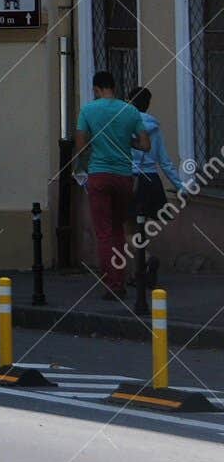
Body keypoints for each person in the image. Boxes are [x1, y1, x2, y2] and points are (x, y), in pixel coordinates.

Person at [75, 71, 150, 300]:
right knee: (118, 229)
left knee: (104, 232)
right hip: (123, 176)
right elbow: (145, 144)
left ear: (96, 89)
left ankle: (113, 282)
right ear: (114, 87)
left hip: (99, 174)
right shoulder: (130, 110)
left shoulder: (88, 110)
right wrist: (128, 141)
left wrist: (86, 166)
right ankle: (121, 275)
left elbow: (80, 145)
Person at [129, 86, 185, 280]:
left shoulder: (125, 125)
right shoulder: (155, 128)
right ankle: (143, 267)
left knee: (129, 226)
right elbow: (165, 161)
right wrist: (180, 186)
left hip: (132, 180)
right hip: (152, 181)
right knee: (142, 226)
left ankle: (142, 265)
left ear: (130, 103)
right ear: (147, 105)